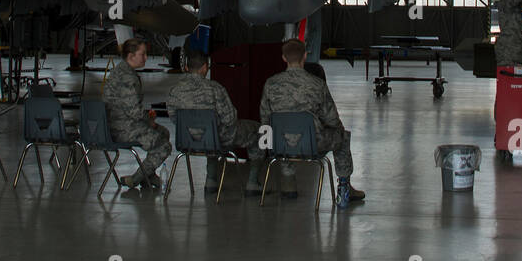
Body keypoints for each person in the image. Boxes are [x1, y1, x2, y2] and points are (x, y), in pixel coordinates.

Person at [260, 39, 364, 208]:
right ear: (305, 56)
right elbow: (332, 120)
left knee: (283, 133)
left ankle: (288, 185)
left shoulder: (270, 84)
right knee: (342, 136)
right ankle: (344, 189)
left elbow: (265, 118)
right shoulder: (317, 85)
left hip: (280, 145)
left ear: (284, 58)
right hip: (313, 144)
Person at [166, 47, 266, 195]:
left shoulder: (175, 90)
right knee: (260, 131)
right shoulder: (215, 89)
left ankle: (211, 180)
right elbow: (230, 118)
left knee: (208, 135)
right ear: (205, 67)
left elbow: (173, 117)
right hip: (217, 139)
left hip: (187, 140)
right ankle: (253, 183)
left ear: (186, 67)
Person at [102, 38, 172, 189]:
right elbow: (133, 111)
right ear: (131, 56)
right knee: (164, 147)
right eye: (143, 54)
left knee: (163, 132)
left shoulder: (121, 71)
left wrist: (148, 118)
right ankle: (135, 179)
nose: (146, 58)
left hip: (120, 123)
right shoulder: (127, 77)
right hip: (122, 128)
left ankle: (149, 175)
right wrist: (149, 120)